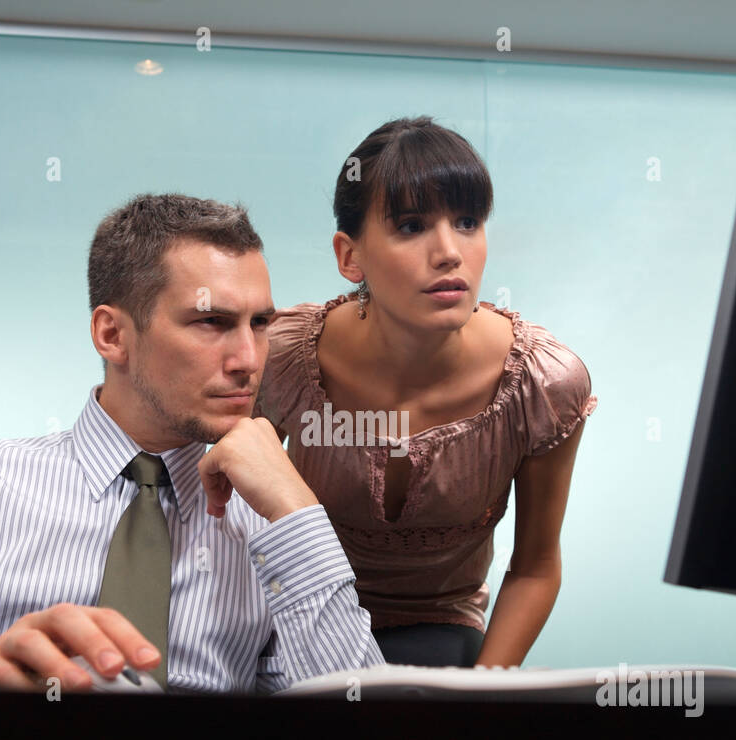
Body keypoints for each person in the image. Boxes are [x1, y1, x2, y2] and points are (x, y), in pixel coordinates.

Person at [0, 194, 385, 693]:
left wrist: (296, 513)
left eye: (260, 324)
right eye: (212, 322)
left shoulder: (270, 529)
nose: (249, 360)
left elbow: (372, 733)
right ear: (112, 334)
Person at [255, 116, 597, 669]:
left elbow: (535, 568)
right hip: (294, 612)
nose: (448, 252)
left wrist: (479, 695)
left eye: (467, 222)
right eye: (412, 226)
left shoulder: (544, 384)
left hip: (442, 625)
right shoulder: (281, 357)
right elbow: (224, 511)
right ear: (350, 256)